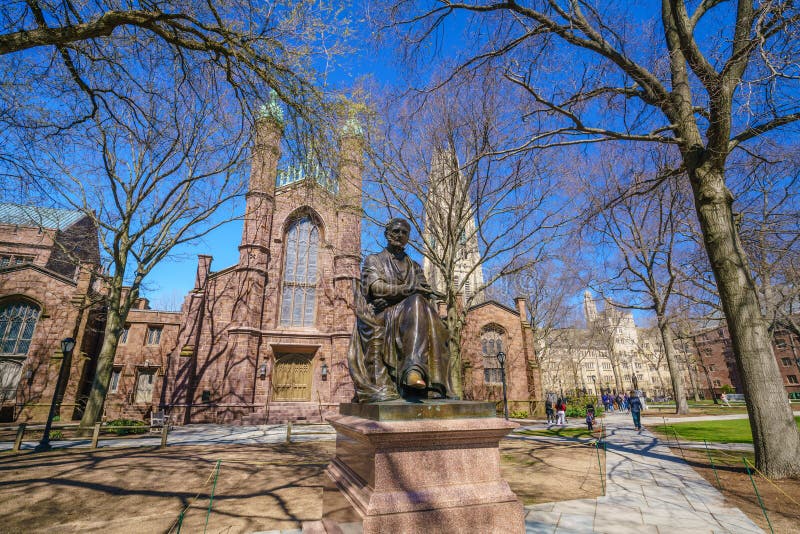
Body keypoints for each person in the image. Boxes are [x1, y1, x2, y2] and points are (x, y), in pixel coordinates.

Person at [348, 218, 458, 402]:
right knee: (416, 302)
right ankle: (413, 370)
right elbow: (376, 288)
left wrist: (417, 293)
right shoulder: (374, 260)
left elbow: (425, 291)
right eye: (396, 231)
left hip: (412, 315)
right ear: (387, 233)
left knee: (432, 316)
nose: (399, 235)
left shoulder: (414, 266)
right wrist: (407, 291)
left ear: (408, 237)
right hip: (382, 316)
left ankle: (428, 381)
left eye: (404, 233)